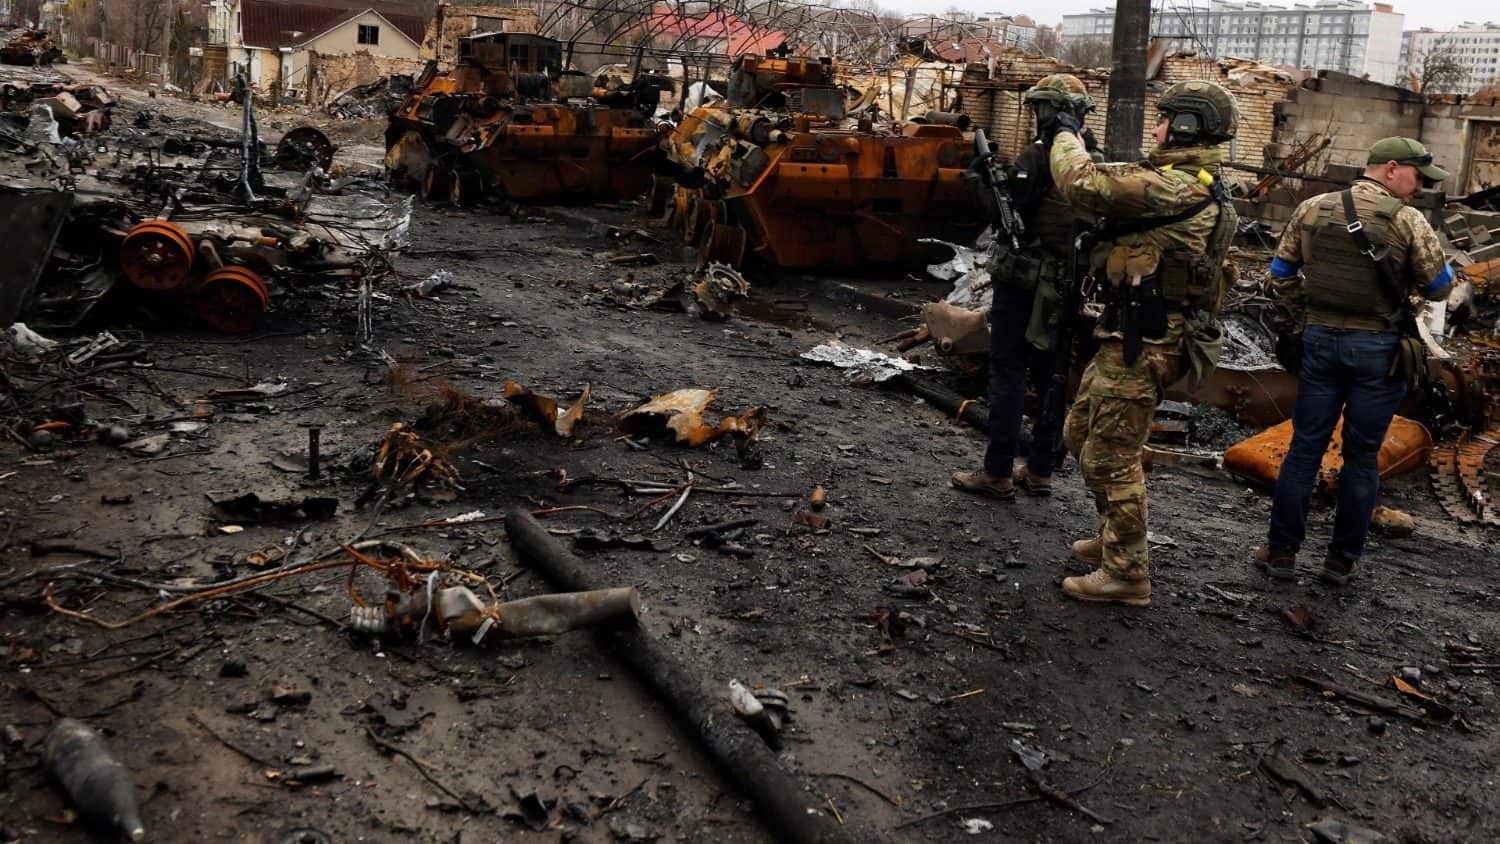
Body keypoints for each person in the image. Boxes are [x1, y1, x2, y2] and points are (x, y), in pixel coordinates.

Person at [1042, 80, 1240, 607]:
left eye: (1164, 117)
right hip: (1133, 334)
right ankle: (1117, 539)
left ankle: (1127, 572)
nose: (1156, 126)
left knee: (1111, 453)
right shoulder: (1179, 180)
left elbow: (1081, 184)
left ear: (1186, 125)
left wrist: (1066, 132)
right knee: (1082, 431)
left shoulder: (1180, 187)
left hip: (1149, 340)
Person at [1255, 138, 1453, 586]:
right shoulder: (1407, 220)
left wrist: (1308, 312)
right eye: (1417, 177)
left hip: (1320, 342)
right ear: (1390, 168)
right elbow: (1440, 286)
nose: (1419, 188)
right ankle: (1341, 562)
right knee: (1362, 457)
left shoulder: (1312, 208)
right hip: (1378, 351)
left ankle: (1281, 553)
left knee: (1304, 448)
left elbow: (1280, 274)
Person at [951, 74, 1100, 502]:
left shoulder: (1039, 156)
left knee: (1010, 369)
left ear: (1051, 112)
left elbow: (1005, 217)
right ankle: (1040, 470)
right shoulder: (1092, 159)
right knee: (1053, 375)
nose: (1035, 117)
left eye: (1039, 109)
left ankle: (997, 470)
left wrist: (977, 183)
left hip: (1024, 282)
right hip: (1069, 284)